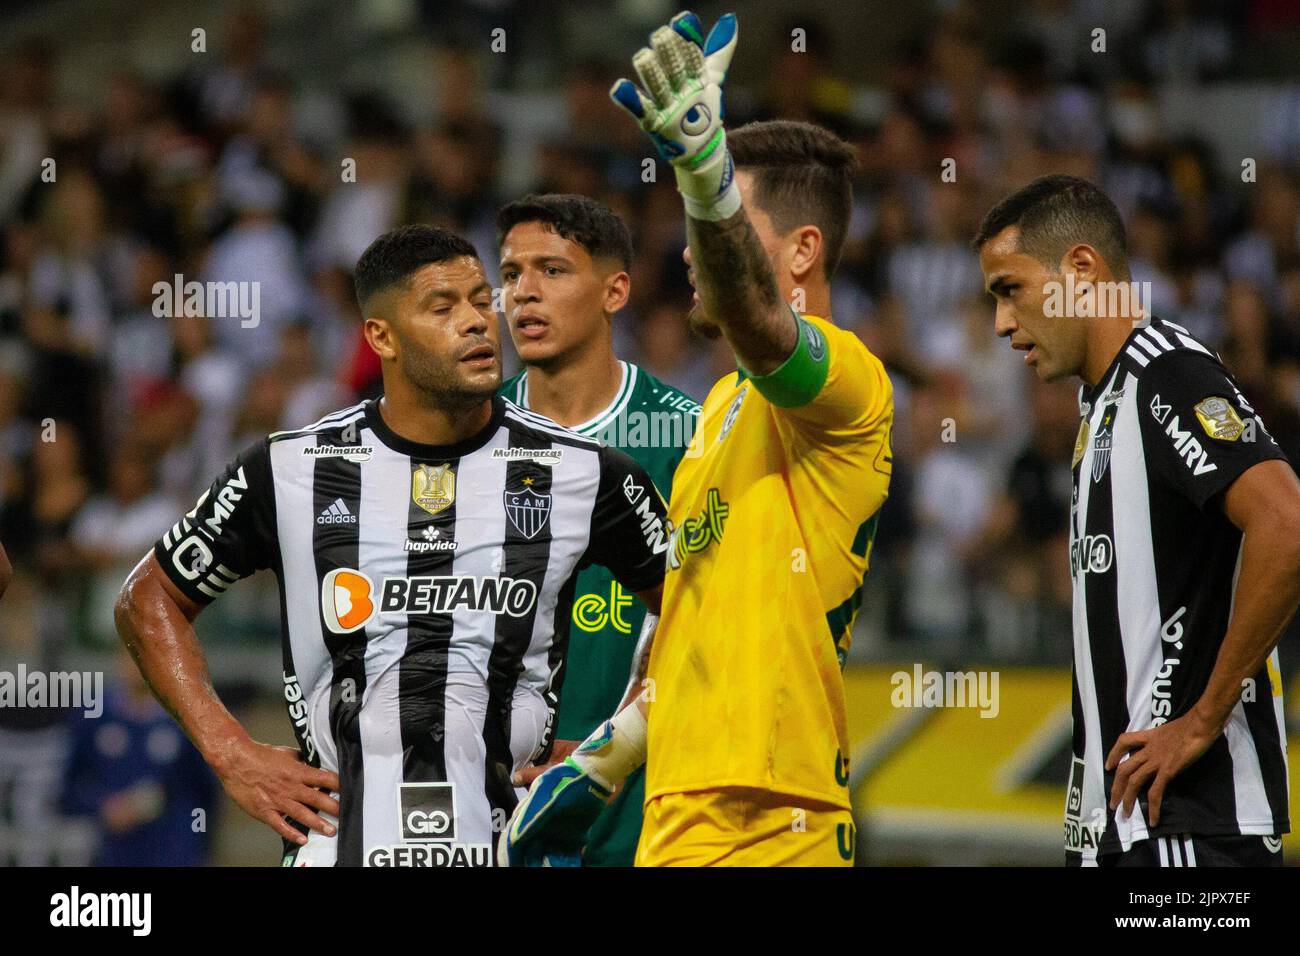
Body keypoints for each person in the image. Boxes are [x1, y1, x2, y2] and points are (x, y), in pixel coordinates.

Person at [115, 224, 668, 866]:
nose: (477, 323)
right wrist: (230, 752)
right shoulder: (296, 469)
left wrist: (616, 746)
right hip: (337, 846)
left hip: (510, 845)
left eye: (481, 300)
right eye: (443, 308)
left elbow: (693, 604)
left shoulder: (582, 473)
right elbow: (146, 599)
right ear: (382, 337)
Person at [501, 11, 894, 867]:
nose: (690, 252)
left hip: (773, 816)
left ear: (800, 253)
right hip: (673, 816)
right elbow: (686, 627)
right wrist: (602, 762)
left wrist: (703, 170)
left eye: (719, 222)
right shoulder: (714, 413)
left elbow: (761, 324)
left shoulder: (849, 387)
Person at [973, 173, 1300, 866]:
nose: (1001, 323)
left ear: (1081, 270)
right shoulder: (1102, 406)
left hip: (1186, 827)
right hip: (1124, 829)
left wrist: (1201, 718)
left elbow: (1289, 523)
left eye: (1011, 290)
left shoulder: (1165, 376)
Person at [497, 193, 699, 866]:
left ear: (615, 291)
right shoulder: (460, 437)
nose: (524, 293)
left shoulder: (686, 438)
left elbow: (703, 625)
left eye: (552, 271)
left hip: (640, 818)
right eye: (510, 274)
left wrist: (599, 754)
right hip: (490, 809)